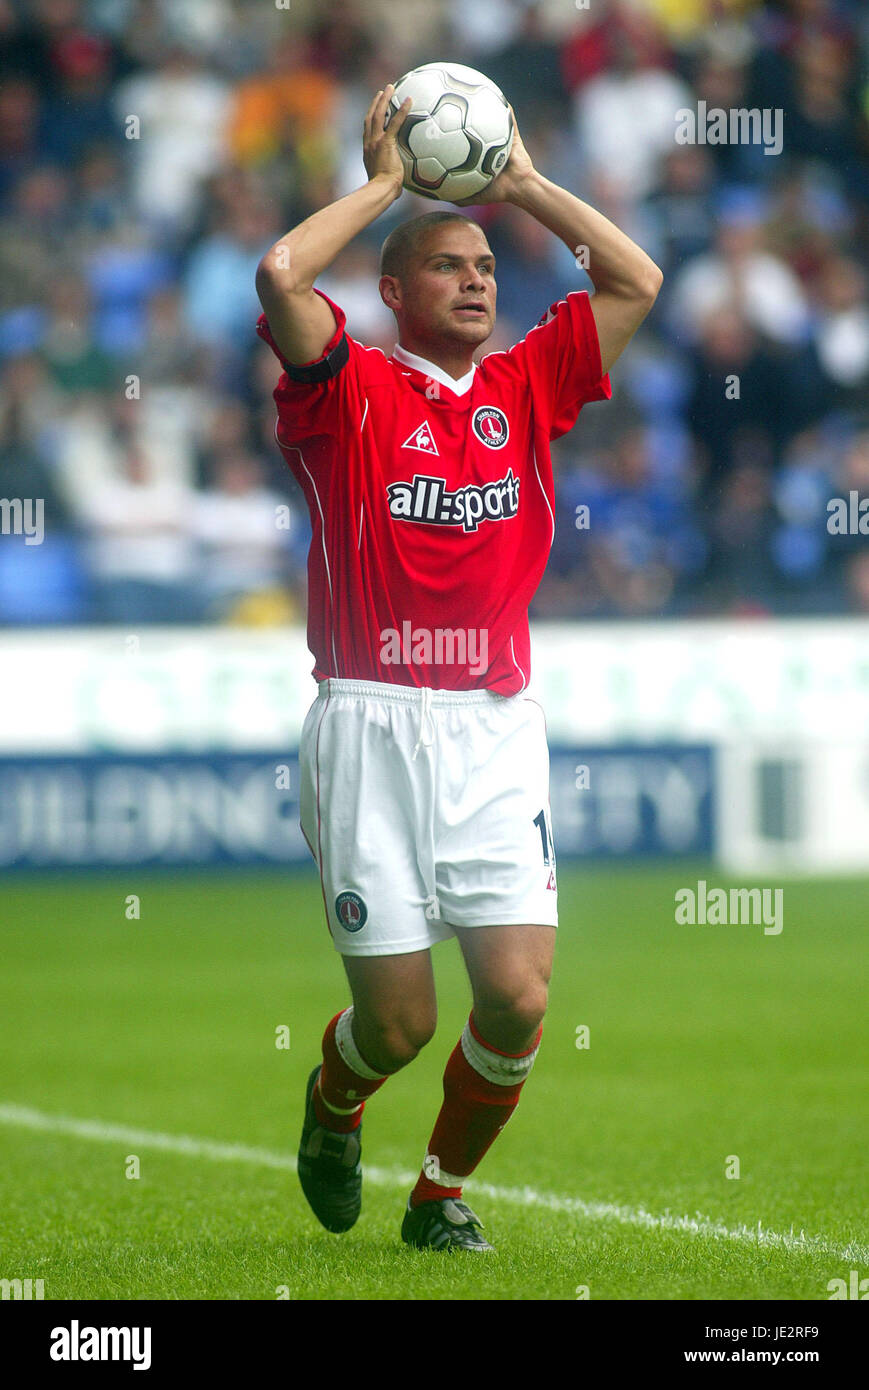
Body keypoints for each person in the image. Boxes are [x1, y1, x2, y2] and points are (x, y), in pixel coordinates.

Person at [255, 85, 662, 1252]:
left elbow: (635, 281)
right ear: (392, 291)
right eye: (445, 264)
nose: (477, 279)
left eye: (484, 263)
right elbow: (282, 275)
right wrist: (388, 185)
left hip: (491, 725)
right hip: (368, 723)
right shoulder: (347, 390)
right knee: (398, 1024)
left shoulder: (525, 384)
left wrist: (521, 181)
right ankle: (335, 1104)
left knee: (518, 999)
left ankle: (438, 1195)